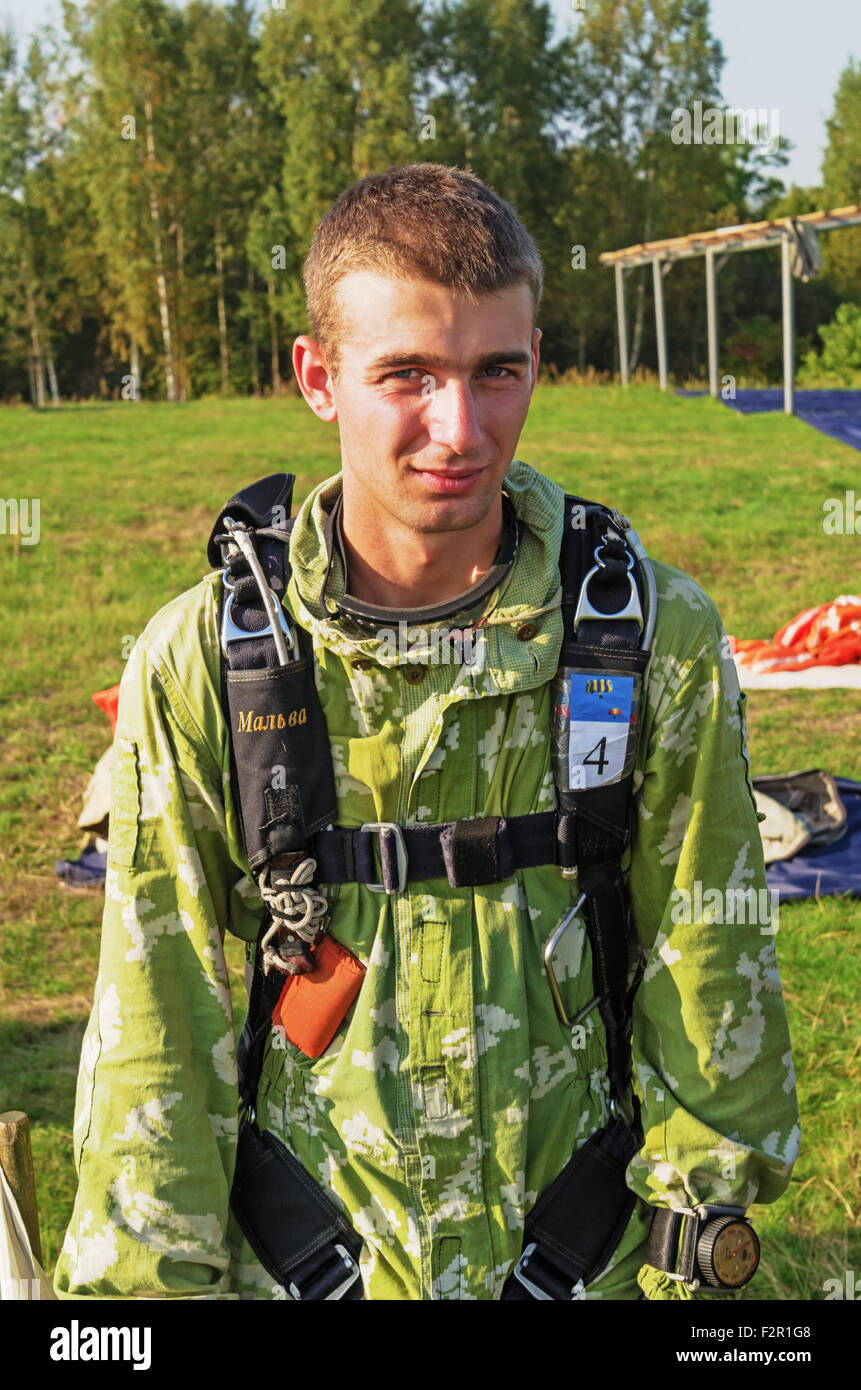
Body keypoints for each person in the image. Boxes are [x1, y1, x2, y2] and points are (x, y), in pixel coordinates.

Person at [54, 162, 799, 1302]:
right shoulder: (208, 661)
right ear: (318, 377)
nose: (459, 428)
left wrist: (699, 1274)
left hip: (579, 1255)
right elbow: (160, 1014)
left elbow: (712, 968)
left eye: (497, 370)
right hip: (302, 1258)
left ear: (537, 362)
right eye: (408, 373)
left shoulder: (650, 636)